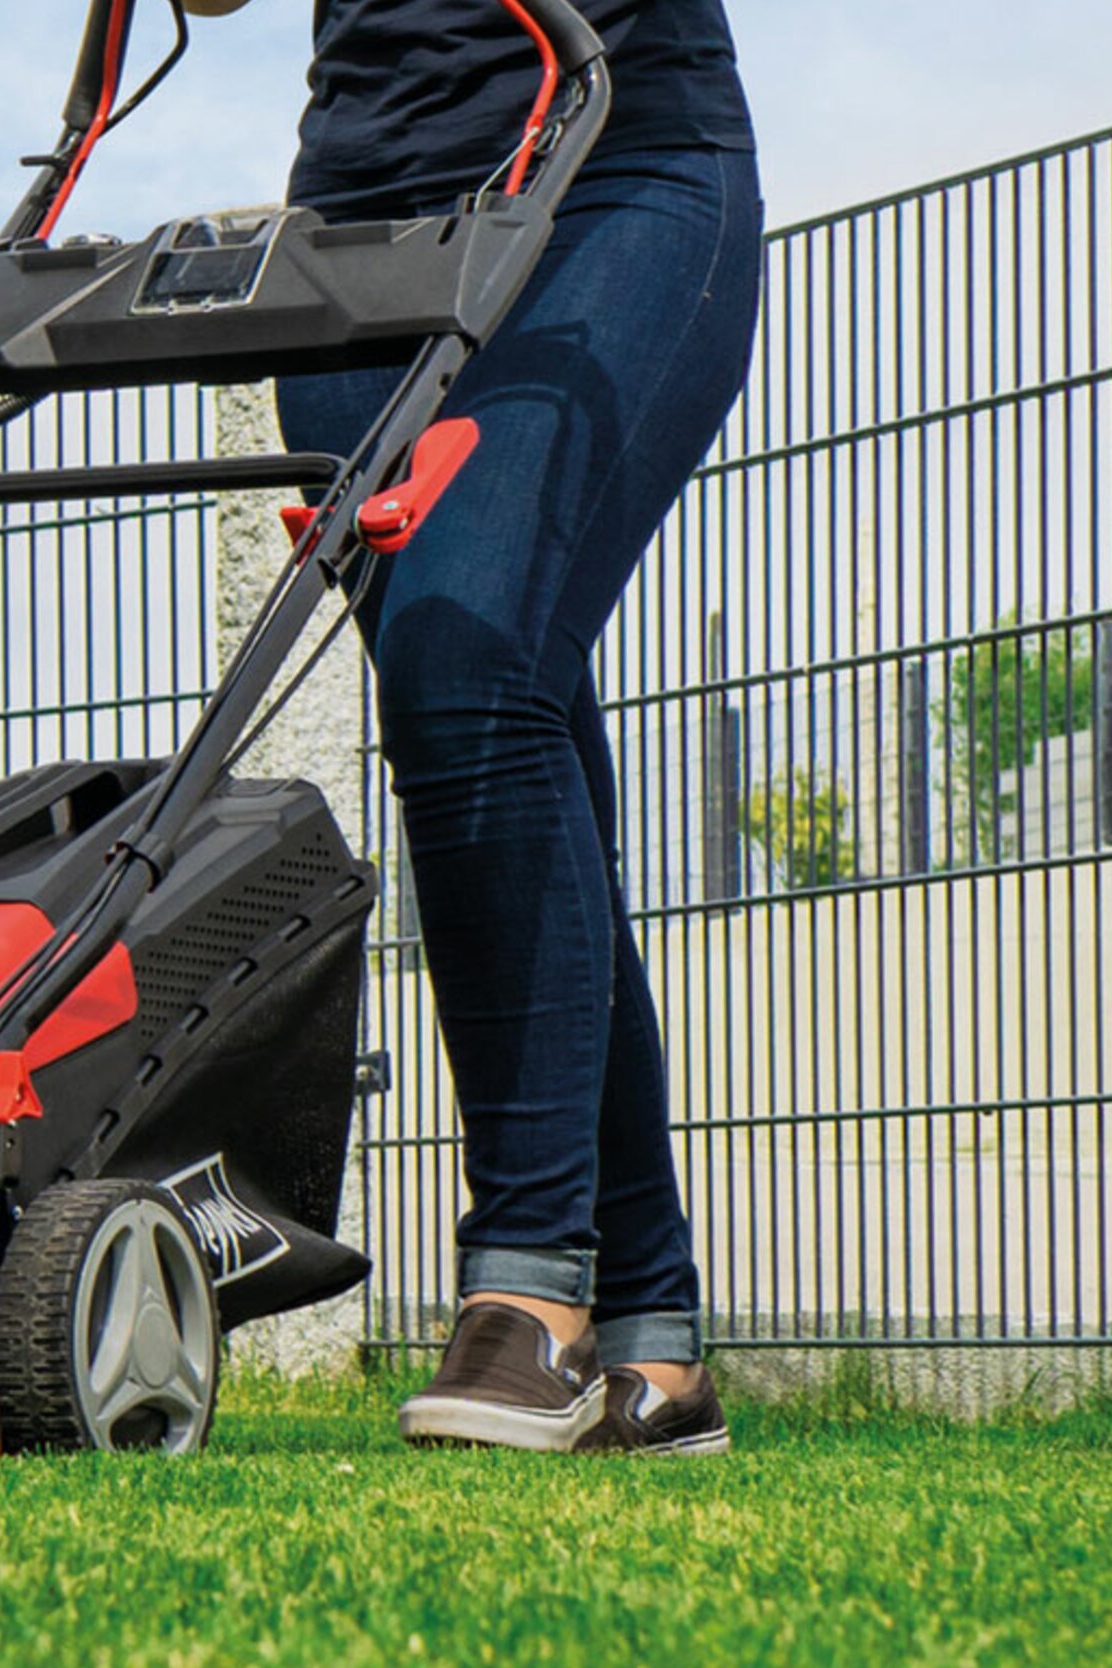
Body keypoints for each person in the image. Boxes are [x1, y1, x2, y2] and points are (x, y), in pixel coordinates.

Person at [218, 0, 762, 1455]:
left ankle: (527, 1291)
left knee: (469, 670)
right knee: (502, 723)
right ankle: (650, 1333)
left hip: (614, 173)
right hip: (365, 227)